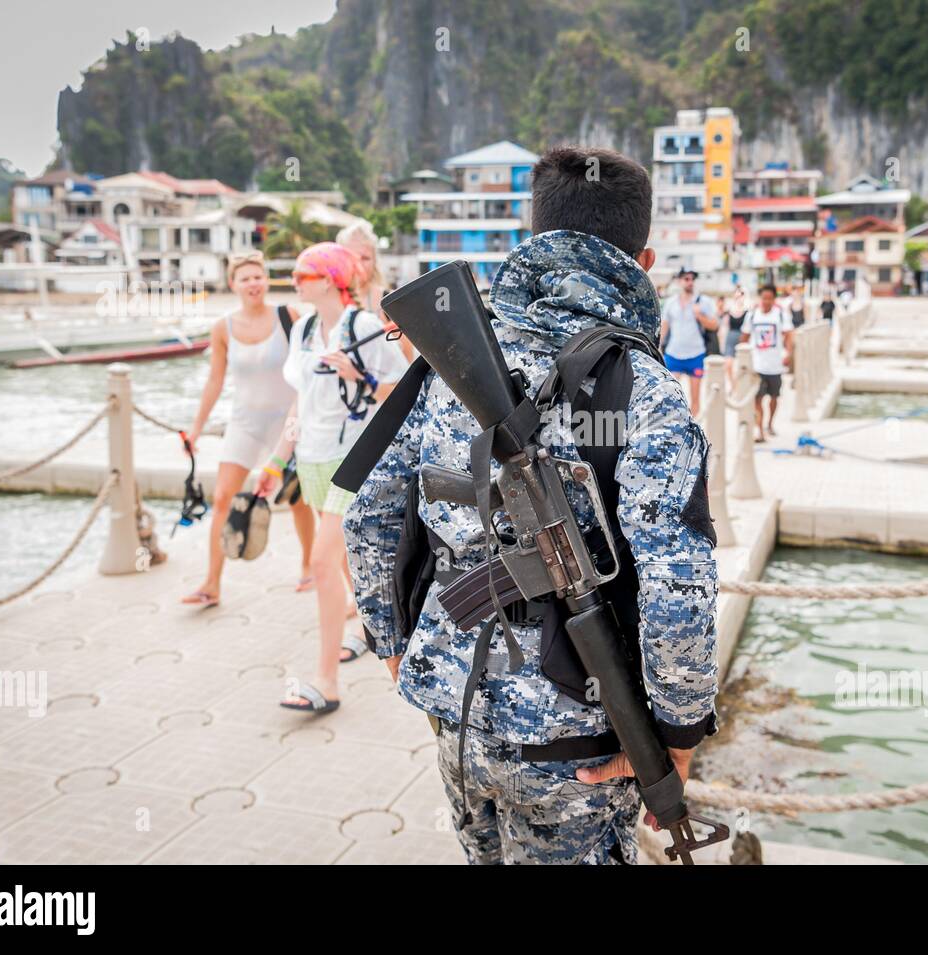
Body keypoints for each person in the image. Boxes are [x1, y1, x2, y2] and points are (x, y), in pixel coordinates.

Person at [344, 145, 719, 864]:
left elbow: (368, 516)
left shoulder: (450, 360)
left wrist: (394, 645)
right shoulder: (643, 388)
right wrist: (675, 737)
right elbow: (680, 591)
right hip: (575, 741)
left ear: (534, 238)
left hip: (455, 717)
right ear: (642, 262)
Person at [256, 242, 407, 713]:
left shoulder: (363, 326)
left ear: (328, 279)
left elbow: (404, 393)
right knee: (345, 564)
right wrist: (276, 463)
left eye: (303, 272)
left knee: (322, 563)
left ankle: (326, 681)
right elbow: (299, 402)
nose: (295, 279)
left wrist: (359, 375)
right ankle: (373, 636)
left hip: (353, 461)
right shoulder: (302, 329)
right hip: (313, 458)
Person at [181, 251, 314, 607]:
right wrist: (196, 429)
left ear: (266, 280)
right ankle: (211, 583)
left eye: (258, 276)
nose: (253, 283)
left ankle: (308, 565)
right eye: (245, 278)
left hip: (285, 423)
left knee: (298, 499)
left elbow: (309, 372)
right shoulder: (223, 326)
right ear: (233, 284)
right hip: (244, 422)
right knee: (223, 497)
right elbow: (214, 380)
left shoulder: (289, 316)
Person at [337, 220, 416, 363]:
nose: (358, 264)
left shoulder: (390, 302)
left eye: (365, 258)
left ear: (375, 261)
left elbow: (407, 361)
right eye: (351, 257)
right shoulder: (331, 302)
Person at [658, 267, 718, 416]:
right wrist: (657, 347)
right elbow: (665, 326)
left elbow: (715, 325)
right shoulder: (671, 302)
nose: (690, 282)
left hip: (696, 353)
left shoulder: (704, 302)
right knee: (669, 394)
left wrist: (700, 316)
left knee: (695, 396)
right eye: (686, 279)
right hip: (673, 353)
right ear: (679, 281)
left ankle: (694, 428)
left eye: (692, 279)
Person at [741, 284, 794, 442]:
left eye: (770, 298)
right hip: (757, 365)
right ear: (760, 298)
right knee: (757, 399)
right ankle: (760, 430)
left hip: (775, 364)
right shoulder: (752, 315)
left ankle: (770, 423)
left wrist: (788, 354)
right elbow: (744, 337)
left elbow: (789, 335)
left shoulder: (780, 315)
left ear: (774, 299)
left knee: (774, 398)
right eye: (764, 298)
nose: (766, 301)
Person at [721, 285, 749, 385]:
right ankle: (733, 384)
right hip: (731, 337)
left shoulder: (748, 311)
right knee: (728, 364)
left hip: (743, 339)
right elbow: (724, 326)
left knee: (742, 366)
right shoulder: (729, 310)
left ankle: (740, 385)